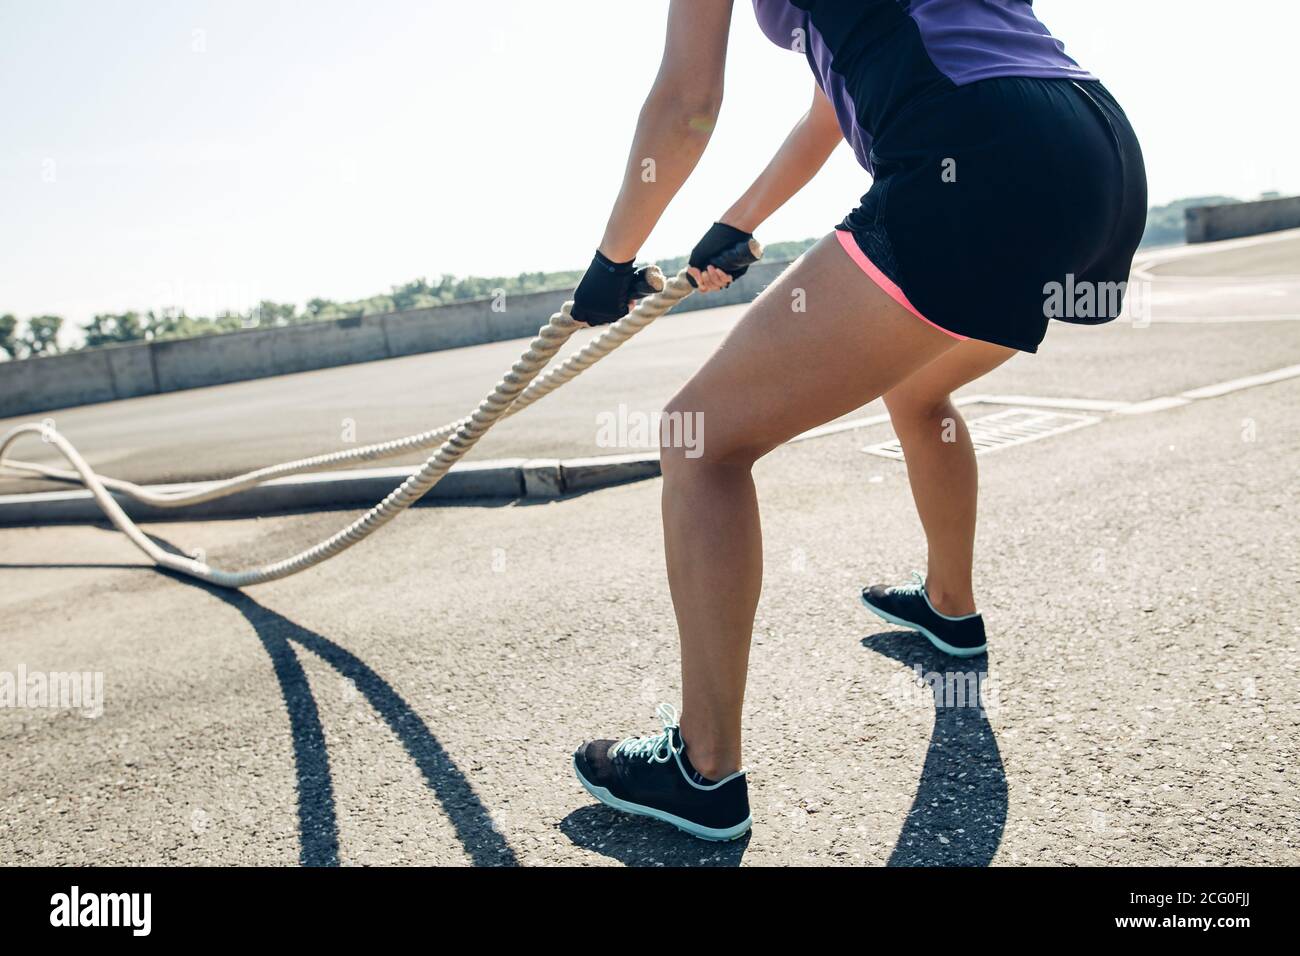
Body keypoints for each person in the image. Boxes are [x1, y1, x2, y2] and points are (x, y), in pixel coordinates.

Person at [569, 0, 1147, 841]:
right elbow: (829, 109)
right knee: (917, 391)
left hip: (974, 150)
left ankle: (702, 767)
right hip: (1093, 149)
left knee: (700, 439)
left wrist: (611, 260)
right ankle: (950, 611)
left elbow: (687, 104)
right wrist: (739, 221)